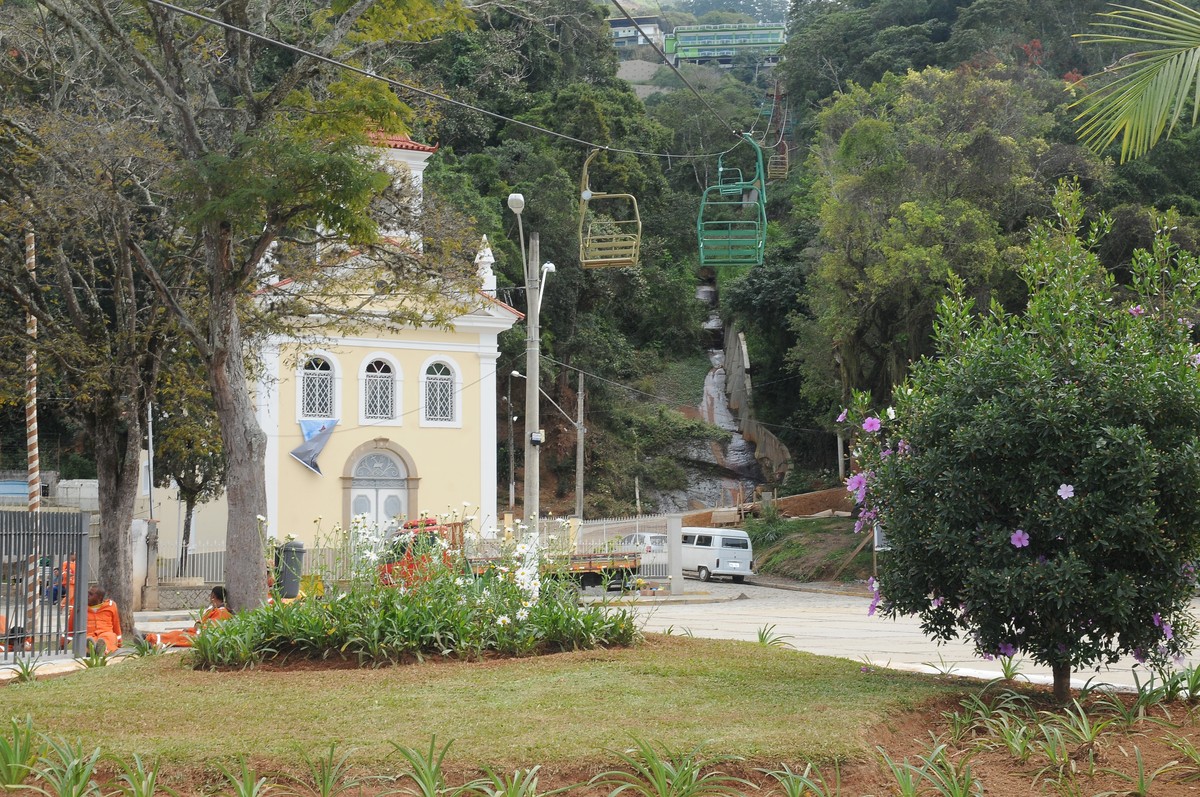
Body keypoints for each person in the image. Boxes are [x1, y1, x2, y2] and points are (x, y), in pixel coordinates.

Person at [144, 586, 232, 648]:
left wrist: (191, 630)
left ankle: (151, 639)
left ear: (213, 596)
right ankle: (150, 638)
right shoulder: (214, 609)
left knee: (179, 636)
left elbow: (211, 628)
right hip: (200, 634)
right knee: (177, 634)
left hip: (205, 637)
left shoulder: (222, 612)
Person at [83, 585, 120, 654]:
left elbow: (116, 624)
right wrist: (63, 643)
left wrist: (119, 642)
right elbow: (70, 626)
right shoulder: (80, 606)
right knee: (87, 639)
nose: (87, 596)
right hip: (89, 634)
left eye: (91, 594)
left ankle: (102, 650)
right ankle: (91, 649)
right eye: (87, 593)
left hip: (106, 633)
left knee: (109, 637)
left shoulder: (111, 606)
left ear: (99, 598)